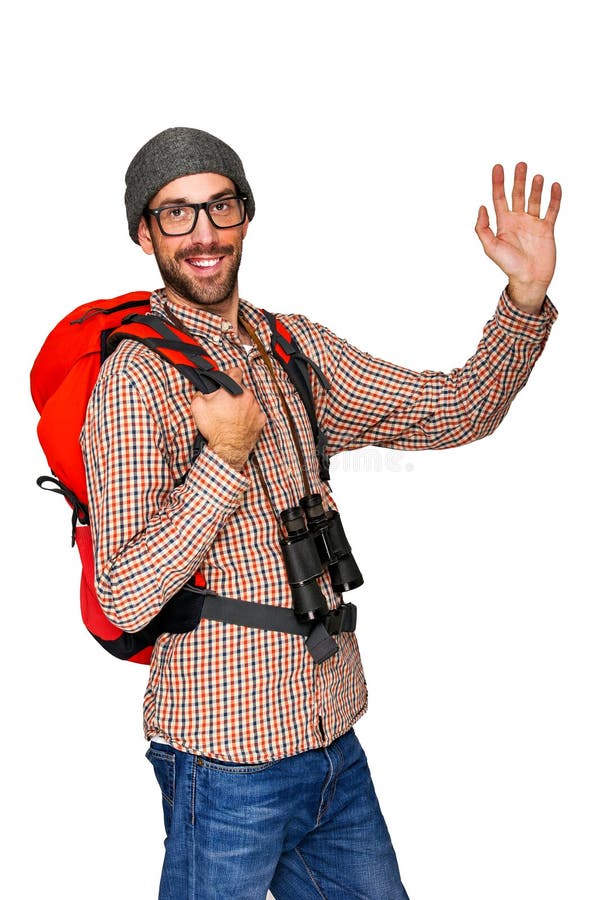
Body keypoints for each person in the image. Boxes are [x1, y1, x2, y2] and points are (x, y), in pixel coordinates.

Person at [81, 127, 561, 900]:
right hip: (225, 755)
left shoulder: (290, 349)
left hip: (332, 743)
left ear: (245, 216)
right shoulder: (133, 383)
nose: (203, 233)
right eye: (176, 214)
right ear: (144, 232)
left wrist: (523, 299)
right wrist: (225, 458)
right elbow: (125, 592)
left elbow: (455, 409)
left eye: (220, 206)